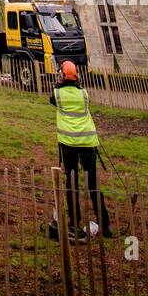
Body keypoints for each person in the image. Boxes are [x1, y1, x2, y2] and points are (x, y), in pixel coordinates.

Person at [50, 59, 112, 240]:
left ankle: (74, 221)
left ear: (61, 76)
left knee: (72, 183)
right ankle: (105, 226)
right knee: (93, 184)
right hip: (88, 142)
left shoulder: (58, 94)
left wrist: (59, 81)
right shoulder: (84, 94)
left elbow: (53, 99)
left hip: (69, 143)